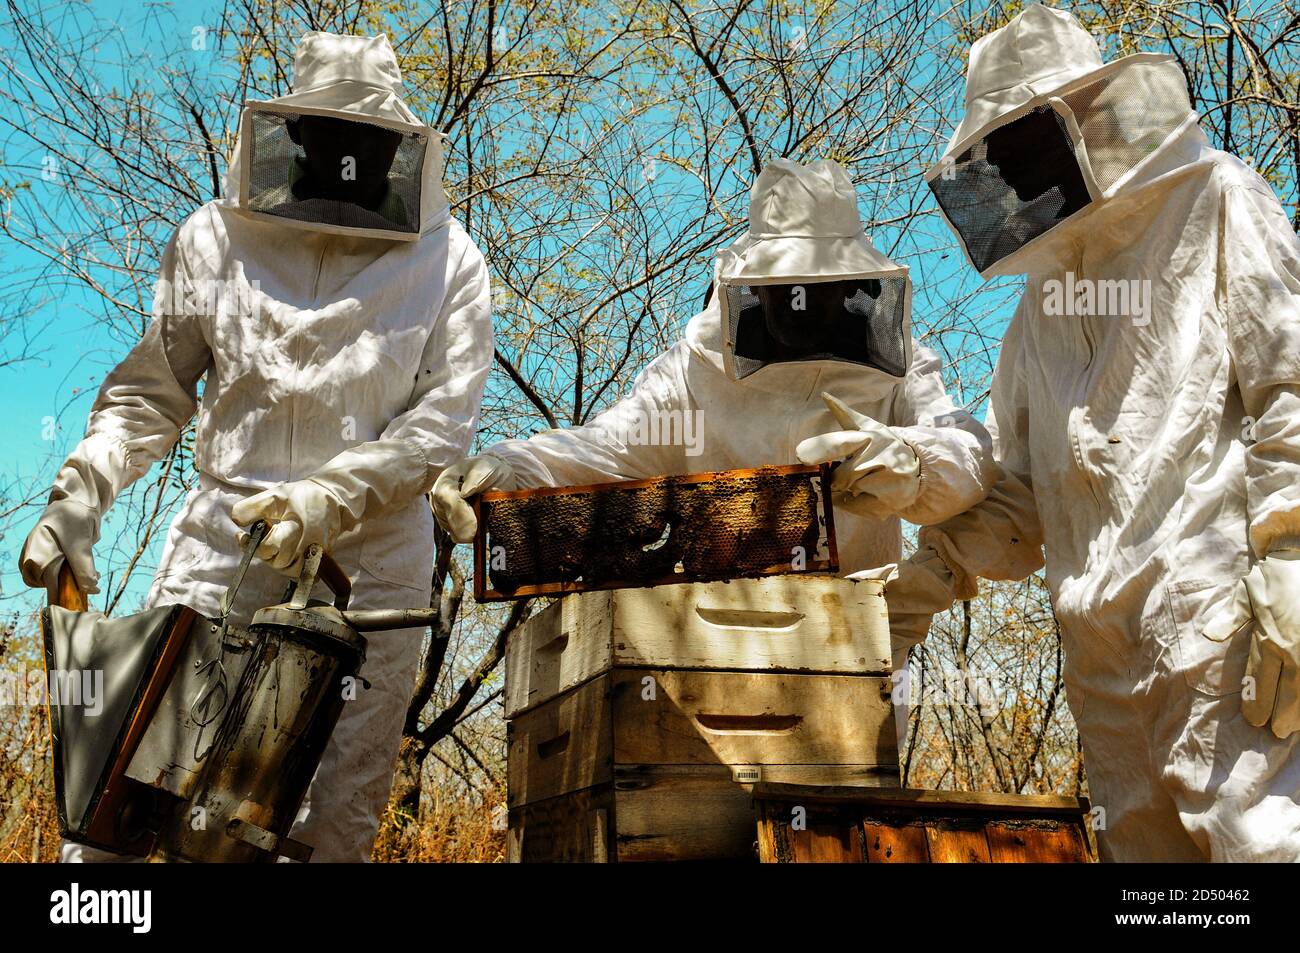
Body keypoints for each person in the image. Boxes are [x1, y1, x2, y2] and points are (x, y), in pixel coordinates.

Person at [19, 32, 494, 862]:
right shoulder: (213, 237)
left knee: (327, 829)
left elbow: (441, 425)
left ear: (397, 147)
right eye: (327, 137)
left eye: (364, 142)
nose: (345, 159)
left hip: (371, 568)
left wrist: (331, 496)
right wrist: (80, 493)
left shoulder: (448, 261)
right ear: (292, 136)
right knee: (127, 805)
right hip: (223, 547)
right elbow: (152, 389)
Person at [894, 3, 1300, 860]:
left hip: (1225, 634)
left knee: (1262, 848)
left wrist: (1294, 556)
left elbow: (1290, 384)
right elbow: (1012, 509)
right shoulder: (1038, 313)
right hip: (1102, 670)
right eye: (1000, 154)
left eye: (1026, 143)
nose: (1016, 173)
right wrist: (905, 599)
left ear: (1093, 115)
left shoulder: (1216, 200)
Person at [433, 158, 995, 672]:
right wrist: (507, 470)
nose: (802, 304)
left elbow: (969, 453)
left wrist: (914, 462)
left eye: (819, 288)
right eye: (784, 288)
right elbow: (606, 449)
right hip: (701, 652)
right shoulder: (694, 372)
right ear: (750, 287)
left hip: (853, 645)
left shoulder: (897, 371)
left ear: (852, 287)